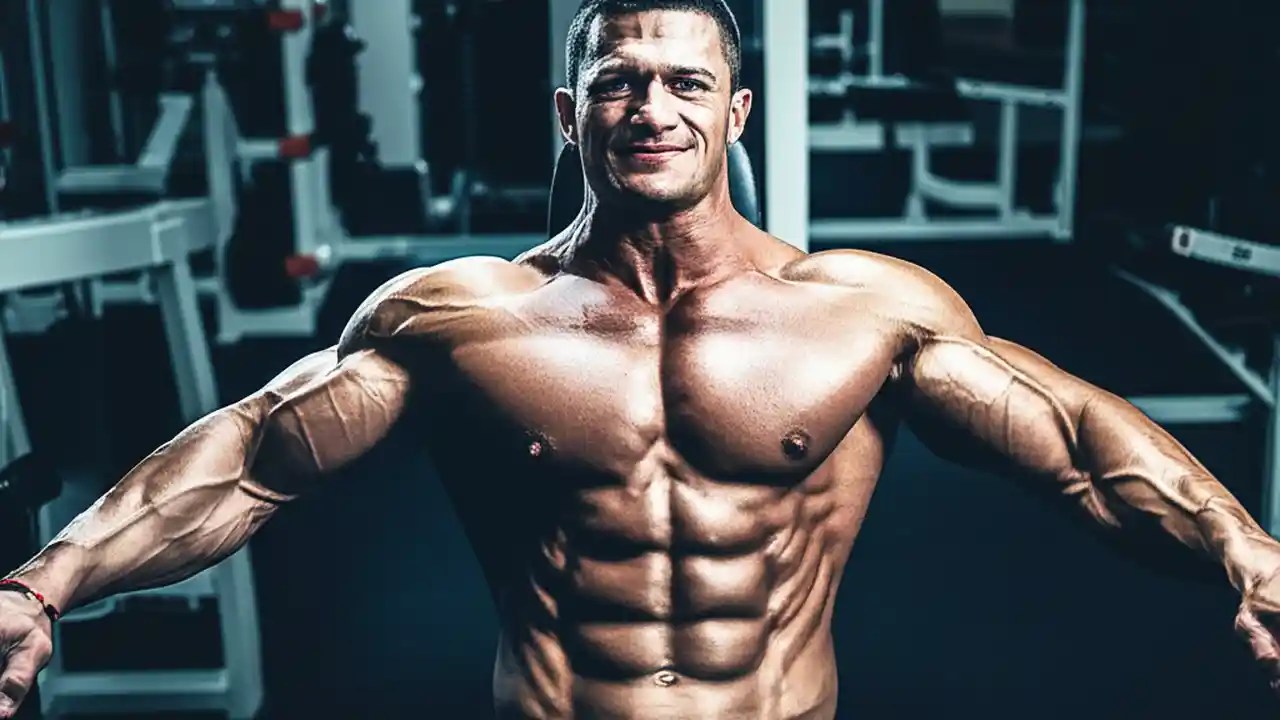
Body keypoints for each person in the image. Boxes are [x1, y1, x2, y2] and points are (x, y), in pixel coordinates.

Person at [2, 1, 1280, 717]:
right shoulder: (464, 319)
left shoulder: (861, 313)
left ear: (734, 112)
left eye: (685, 84)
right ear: (571, 116)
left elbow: (1076, 446)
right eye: (619, 83)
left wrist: (1243, 549)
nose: (651, 110)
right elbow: (250, 457)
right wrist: (46, 585)